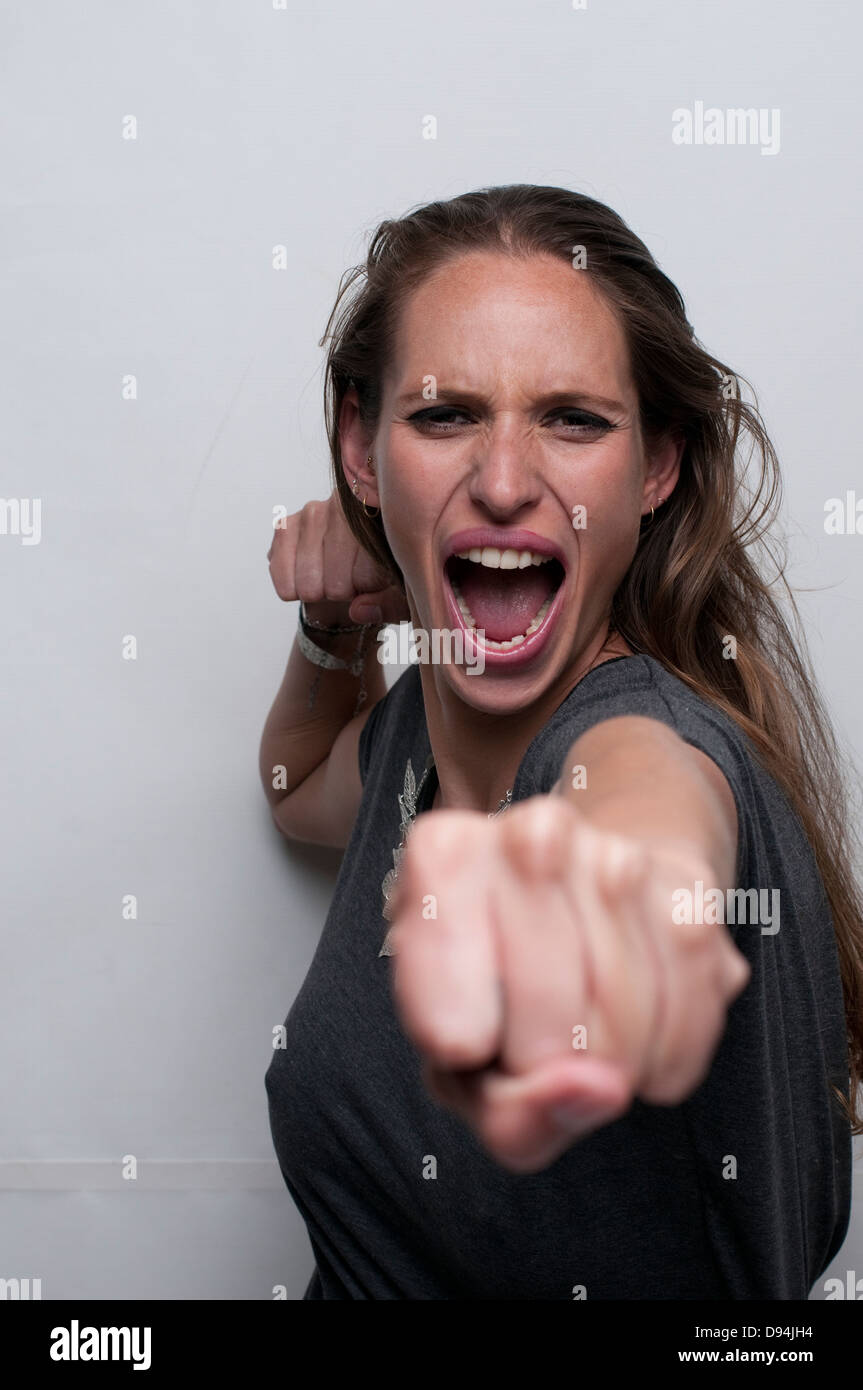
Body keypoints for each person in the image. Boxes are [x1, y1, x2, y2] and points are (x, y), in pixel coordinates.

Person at [260, 184, 861, 1300]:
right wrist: (329, 627)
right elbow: (293, 787)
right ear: (359, 447)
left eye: (572, 419)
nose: (499, 481)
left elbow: (649, 806)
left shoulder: (646, 740)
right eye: (442, 416)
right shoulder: (411, 736)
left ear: (655, 467)